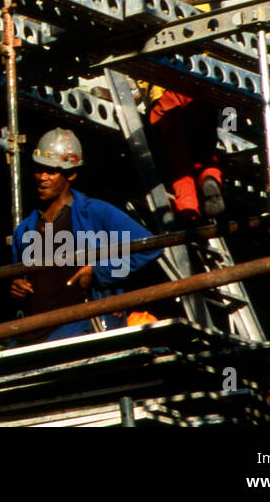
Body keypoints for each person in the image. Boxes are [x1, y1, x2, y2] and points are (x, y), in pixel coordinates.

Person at [10, 128, 161, 344]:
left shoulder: (95, 213)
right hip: (33, 334)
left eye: (52, 171)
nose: (42, 177)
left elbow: (150, 247)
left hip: (81, 327)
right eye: (39, 169)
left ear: (70, 174)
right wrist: (17, 288)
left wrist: (99, 272)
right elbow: (20, 276)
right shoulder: (24, 229)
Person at [138, 0, 225, 221]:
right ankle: (210, 178)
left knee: (177, 159)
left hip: (165, 94)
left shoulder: (150, 8)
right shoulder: (202, 8)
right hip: (200, 90)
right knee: (206, 148)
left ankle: (188, 209)